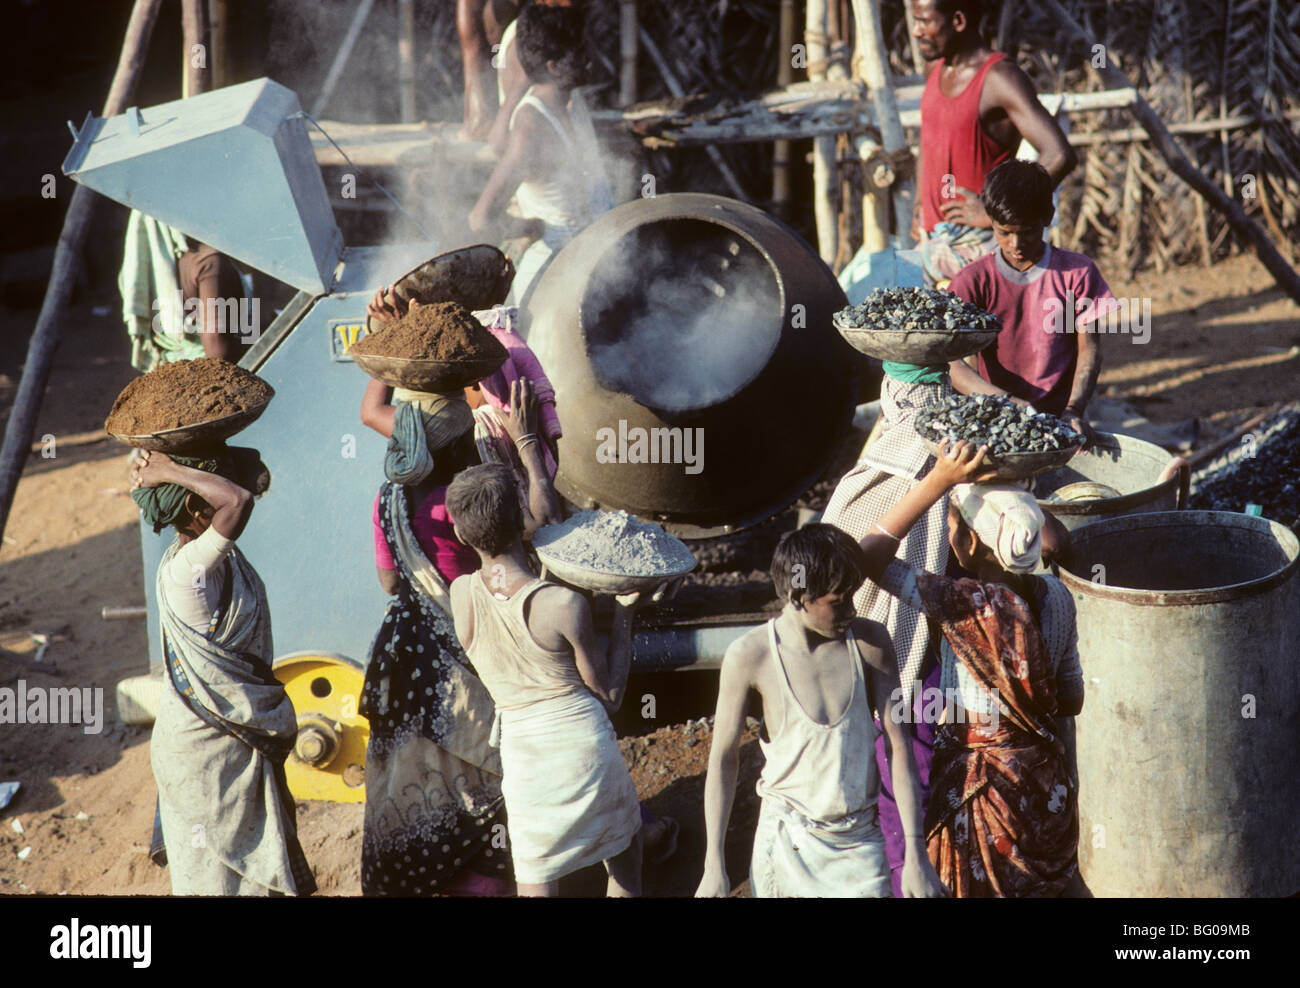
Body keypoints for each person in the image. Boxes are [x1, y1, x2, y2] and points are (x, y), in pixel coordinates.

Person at [357, 356, 562, 895]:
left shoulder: (389, 499)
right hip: (469, 651)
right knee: (483, 780)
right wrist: (525, 445)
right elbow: (547, 523)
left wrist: (385, 348)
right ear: (456, 444)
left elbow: (388, 582)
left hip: (406, 663)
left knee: (416, 784)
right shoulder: (473, 497)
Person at [859, 439, 1085, 897]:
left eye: (952, 524)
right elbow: (1072, 699)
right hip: (1044, 788)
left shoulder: (960, 604)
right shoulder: (1057, 596)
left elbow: (867, 556)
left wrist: (937, 481)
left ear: (967, 541)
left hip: (983, 793)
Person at [697, 524, 948, 899]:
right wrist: (713, 865)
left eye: (852, 596)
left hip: (858, 843)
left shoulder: (869, 644)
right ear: (799, 595)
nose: (851, 609)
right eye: (837, 601)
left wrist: (916, 855)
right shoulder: (751, 656)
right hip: (786, 843)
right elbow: (723, 759)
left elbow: (899, 747)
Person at [446, 463, 645, 896]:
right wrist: (626, 612)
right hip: (583, 750)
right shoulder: (563, 604)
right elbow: (609, 695)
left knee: (538, 878)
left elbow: (506, 585)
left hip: (524, 760)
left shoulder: (461, 595)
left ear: (462, 536)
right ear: (521, 517)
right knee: (625, 862)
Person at [130, 445, 314, 896]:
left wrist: (157, 465)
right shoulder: (189, 569)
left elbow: (249, 478)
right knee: (216, 877)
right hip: (204, 752)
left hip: (224, 739)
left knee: (246, 872)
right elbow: (239, 501)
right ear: (195, 506)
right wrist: (170, 469)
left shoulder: (209, 557)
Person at [946, 159, 1116, 441]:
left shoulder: (1077, 273)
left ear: (1047, 218)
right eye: (1004, 232)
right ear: (991, 221)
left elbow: (1090, 348)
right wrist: (1008, 404)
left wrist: (1074, 409)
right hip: (996, 420)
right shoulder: (971, 281)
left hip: (1060, 420)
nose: (1016, 245)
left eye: (1027, 232)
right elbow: (952, 364)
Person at [910, 0, 1076, 285]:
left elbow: (1060, 154)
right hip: (933, 240)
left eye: (925, 21)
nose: (916, 31)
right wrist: (919, 203)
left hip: (980, 246)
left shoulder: (999, 78)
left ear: (958, 21)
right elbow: (930, 140)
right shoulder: (935, 69)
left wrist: (995, 212)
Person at [468, 2, 613, 306]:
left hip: (593, 267)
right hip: (555, 281)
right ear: (554, 68)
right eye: (580, 54)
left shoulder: (573, 103)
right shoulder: (531, 127)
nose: (590, 61)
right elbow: (480, 217)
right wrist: (529, 227)